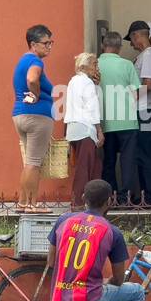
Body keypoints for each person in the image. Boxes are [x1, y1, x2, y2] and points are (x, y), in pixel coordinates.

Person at [12, 24, 56, 213]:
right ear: (33, 44)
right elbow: (32, 79)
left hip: (20, 114)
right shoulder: (36, 62)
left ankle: (23, 202)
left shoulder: (22, 61)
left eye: (51, 42)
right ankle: (32, 205)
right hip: (37, 116)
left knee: (28, 162)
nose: (49, 47)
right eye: (46, 43)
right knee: (34, 163)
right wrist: (37, 94)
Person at [97, 31, 141, 207]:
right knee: (128, 161)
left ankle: (109, 197)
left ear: (103, 45)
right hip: (127, 120)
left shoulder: (95, 64)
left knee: (108, 161)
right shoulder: (127, 65)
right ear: (119, 48)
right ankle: (126, 197)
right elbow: (135, 94)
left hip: (105, 121)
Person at [126, 20, 151, 208]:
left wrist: (127, 98)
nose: (131, 44)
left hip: (145, 109)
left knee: (145, 154)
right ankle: (148, 194)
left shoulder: (148, 56)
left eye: (131, 39)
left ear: (137, 36)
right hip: (149, 108)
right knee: (147, 153)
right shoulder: (150, 54)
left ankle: (149, 197)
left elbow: (147, 85)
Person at [62, 52, 104, 209]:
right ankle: (80, 203)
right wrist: (99, 130)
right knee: (86, 167)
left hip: (74, 128)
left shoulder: (74, 81)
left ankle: (82, 201)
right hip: (85, 128)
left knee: (84, 166)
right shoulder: (86, 83)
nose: (96, 67)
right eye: (94, 64)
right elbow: (92, 108)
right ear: (84, 66)